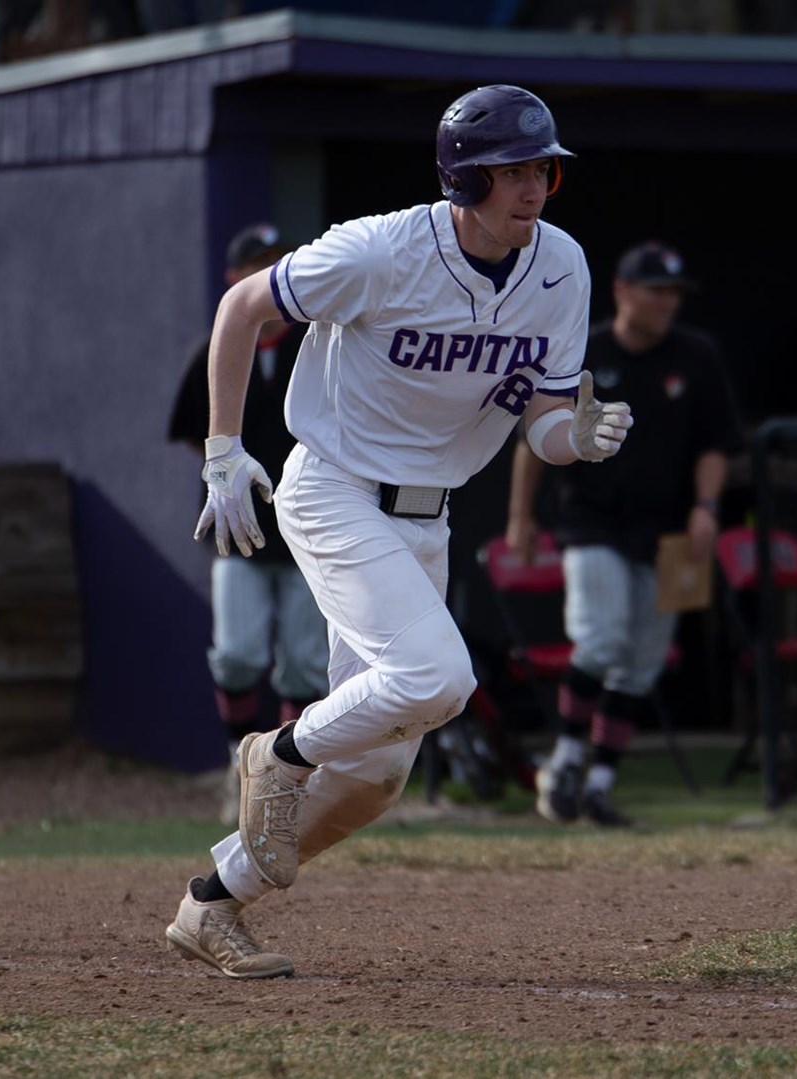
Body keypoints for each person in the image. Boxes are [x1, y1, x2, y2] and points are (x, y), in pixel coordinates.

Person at [163, 84, 634, 979]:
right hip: (334, 488)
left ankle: (210, 905)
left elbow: (538, 415)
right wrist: (224, 452)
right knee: (439, 675)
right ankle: (277, 749)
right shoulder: (381, 249)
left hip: (430, 515)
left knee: (374, 777)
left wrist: (579, 436)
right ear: (465, 178)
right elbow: (241, 310)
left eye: (543, 168)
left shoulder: (561, 266)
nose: (532, 186)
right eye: (511, 171)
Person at [504, 241, 741, 827]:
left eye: (675, 294)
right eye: (656, 290)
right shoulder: (587, 348)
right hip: (593, 520)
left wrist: (708, 506)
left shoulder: (697, 354)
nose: (667, 303)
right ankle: (564, 759)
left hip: (669, 530)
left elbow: (717, 443)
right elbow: (533, 440)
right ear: (622, 290)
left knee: (642, 663)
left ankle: (600, 784)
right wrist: (520, 517)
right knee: (602, 642)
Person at [167, 223, 330, 827]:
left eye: (276, 261)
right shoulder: (217, 344)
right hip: (237, 529)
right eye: (256, 262)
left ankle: (286, 784)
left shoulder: (318, 342)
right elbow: (191, 430)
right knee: (235, 656)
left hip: (307, 526)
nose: (267, 271)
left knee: (304, 665)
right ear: (234, 277)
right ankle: (239, 773)